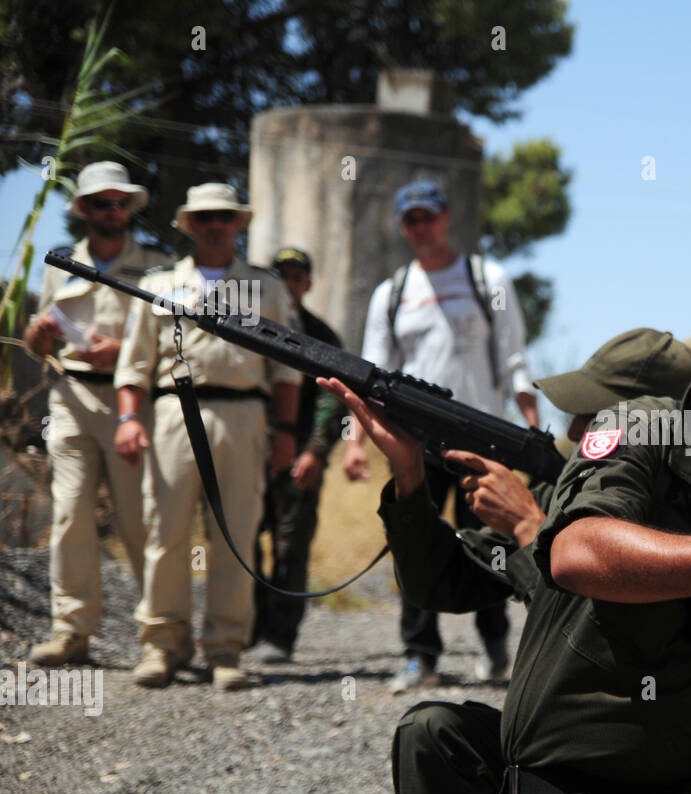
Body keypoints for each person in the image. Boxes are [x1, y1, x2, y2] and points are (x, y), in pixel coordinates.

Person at [320, 327, 691, 794]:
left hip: (640, 756)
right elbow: (441, 584)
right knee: (431, 734)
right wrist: (409, 475)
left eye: (594, 418)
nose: (571, 429)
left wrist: (531, 529)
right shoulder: (562, 491)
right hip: (550, 741)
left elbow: (610, 630)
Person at [345, 179, 539, 691]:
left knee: (492, 548)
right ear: (402, 226)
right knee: (414, 541)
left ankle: (496, 650)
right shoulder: (392, 294)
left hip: (480, 437)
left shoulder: (486, 277)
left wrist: (533, 426)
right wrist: (354, 445)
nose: (421, 227)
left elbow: (515, 359)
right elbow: (372, 374)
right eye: (411, 219)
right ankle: (419, 656)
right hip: (417, 442)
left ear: (446, 217)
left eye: (428, 216)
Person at [114, 182, 300, 690]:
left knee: (235, 536)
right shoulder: (159, 283)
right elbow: (133, 363)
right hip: (174, 412)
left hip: (244, 416)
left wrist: (286, 432)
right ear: (190, 224)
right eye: (206, 217)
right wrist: (128, 419)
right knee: (165, 532)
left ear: (239, 223)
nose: (216, 224)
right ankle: (162, 645)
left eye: (225, 215)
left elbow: (286, 371)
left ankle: (225, 649)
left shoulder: (266, 288)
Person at [23, 161, 171, 667]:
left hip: (132, 403)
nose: (113, 211)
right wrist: (38, 338)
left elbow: (169, 342)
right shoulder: (59, 262)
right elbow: (36, 338)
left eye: (121, 202)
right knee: (69, 517)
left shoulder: (157, 267)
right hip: (70, 399)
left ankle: (161, 639)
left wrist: (124, 352)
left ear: (130, 207)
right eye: (102, 203)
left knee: (140, 521)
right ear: (84, 209)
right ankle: (72, 631)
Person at [250, 247, 349, 663]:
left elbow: (333, 402)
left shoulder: (321, 336)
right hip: (251, 452)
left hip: (299, 459)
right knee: (244, 539)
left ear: (307, 283)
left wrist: (315, 453)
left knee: (291, 547)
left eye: (296, 277)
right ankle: (248, 628)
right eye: (281, 276)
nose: (289, 285)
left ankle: (281, 635)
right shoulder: (250, 326)